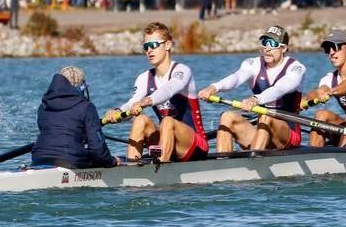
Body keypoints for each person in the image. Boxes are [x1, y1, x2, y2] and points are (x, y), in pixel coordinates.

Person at [103, 23, 209, 163]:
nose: (149, 51)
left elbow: (169, 89)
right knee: (140, 120)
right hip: (167, 141)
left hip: (195, 146)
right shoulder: (144, 78)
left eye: (153, 45)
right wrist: (117, 112)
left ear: (168, 45)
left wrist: (146, 101)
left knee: (167, 121)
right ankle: (131, 169)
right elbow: (132, 103)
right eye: (146, 47)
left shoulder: (182, 71)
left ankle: (162, 167)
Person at [198, 25, 306, 152]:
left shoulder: (296, 68)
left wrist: (256, 99)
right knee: (227, 116)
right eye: (265, 43)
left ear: (284, 48)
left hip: (288, 134)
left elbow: (280, 88)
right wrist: (214, 87)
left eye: (273, 44)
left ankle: (254, 162)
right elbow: (236, 78)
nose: (267, 48)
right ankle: (223, 161)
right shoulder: (253, 64)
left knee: (266, 117)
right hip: (262, 132)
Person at [32, 66, 120, 169]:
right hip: (70, 160)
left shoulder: (43, 106)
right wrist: (112, 161)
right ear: (80, 87)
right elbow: (97, 149)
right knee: (110, 158)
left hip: (38, 158)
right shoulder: (86, 107)